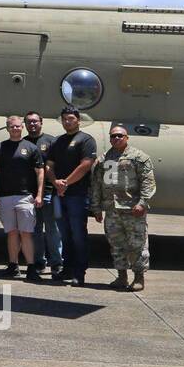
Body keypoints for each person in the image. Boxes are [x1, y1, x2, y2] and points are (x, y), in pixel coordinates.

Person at [90, 125, 157, 292]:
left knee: (137, 245)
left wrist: (142, 202)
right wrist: (96, 208)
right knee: (116, 244)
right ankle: (121, 277)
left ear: (127, 137)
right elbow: (97, 184)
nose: (116, 139)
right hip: (112, 210)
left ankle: (139, 277)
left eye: (120, 136)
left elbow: (148, 182)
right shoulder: (104, 159)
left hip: (133, 210)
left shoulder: (138, 157)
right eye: (113, 136)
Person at [0, 116, 45, 280]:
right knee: (11, 233)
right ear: (7, 128)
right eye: (12, 126)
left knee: (26, 233)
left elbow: (40, 172)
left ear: (23, 128)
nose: (15, 129)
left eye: (18, 126)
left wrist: (39, 194)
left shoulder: (31, 148)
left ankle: (31, 267)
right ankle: (13, 266)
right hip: (5, 197)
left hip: (25, 197)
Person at [47, 106, 99, 287]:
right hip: (58, 196)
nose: (67, 122)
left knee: (78, 234)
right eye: (64, 119)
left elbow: (85, 165)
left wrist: (66, 183)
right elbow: (49, 166)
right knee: (64, 234)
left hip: (77, 195)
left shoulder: (86, 140)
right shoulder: (57, 141)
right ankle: (67, 268)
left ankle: (79, 272)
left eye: (70, 118)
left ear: (78, 120)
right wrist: (56, 183)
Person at [24, 110, 62, 278]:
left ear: (41, 122)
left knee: (53, 229)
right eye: (29, 122)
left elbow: (58, 167)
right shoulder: (22, 142)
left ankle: (57, 263)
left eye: (35, 121)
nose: (32, 124)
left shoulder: (52, 142)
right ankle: (39, 262)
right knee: (35, 230)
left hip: (49, 193)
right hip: (29, 195)